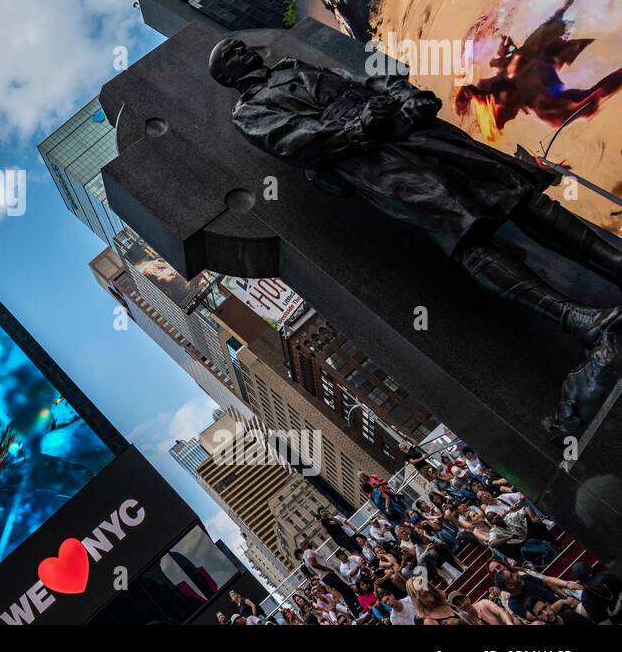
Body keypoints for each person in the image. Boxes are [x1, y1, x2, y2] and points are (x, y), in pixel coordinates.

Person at [208, 37, 622, 433]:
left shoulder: (290, 65)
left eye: (238, 45)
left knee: (515, 190)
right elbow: (292, 142)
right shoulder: (248, 112)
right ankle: (577, 318)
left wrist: (402, 93)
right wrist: (356, 129)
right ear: (228, 76)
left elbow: (358, 78)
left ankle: (615, 264)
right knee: (464, 234)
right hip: (376, 164)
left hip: (411, 129)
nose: (242, 49)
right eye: (232, 53)